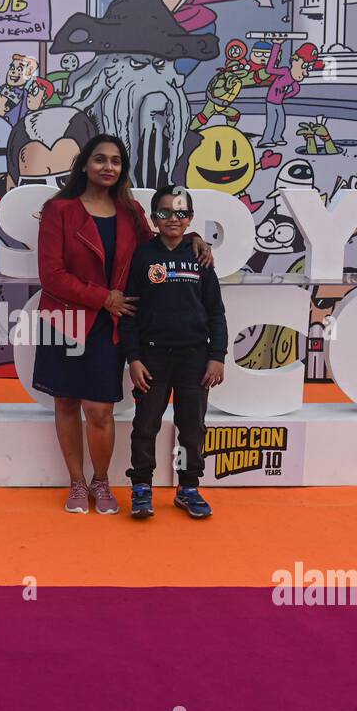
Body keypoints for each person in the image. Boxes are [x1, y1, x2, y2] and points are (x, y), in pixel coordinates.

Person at [34, 135, 212, 514]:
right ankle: (77, 484)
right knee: (65, 403)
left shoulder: (130, 211)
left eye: (116, 161)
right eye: (100, 159)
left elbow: (157, 245)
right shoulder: (59, 210)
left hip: (108, 325)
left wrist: (193, 236)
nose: (108, 167)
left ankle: (101, 480)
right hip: (64, 319)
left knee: (99, 410)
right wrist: (105, 297)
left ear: (122, 169)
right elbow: (51, 275)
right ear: (84, 164)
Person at [121, 186, 226, 519]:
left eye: (180, 213)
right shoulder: (142, 257)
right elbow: (130, 313)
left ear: (190, 218)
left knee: (191, 427)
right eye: (164, 213)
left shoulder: (200, 256)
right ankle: (141, 486)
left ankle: (188, 487)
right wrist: (134, 358)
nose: (172, 219)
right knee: (146, 425)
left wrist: (217, 356)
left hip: (195, 359)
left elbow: (215, 312)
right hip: (152, 359)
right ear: (154, 219)